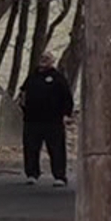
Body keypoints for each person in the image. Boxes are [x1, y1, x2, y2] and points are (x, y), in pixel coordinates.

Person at [19, 53, 74, 185]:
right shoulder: (32, 76)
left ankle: (59, 176)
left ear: (52, 62)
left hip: (53, 120)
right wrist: (23, 107)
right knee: (31, 148)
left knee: (56, 149)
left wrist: (66, 114)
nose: (44, 60)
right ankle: (32, 174)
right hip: (32, 119)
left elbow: (67, 97)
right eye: (42, 58)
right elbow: (22, 93)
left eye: (47, 59)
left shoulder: (58, 78)